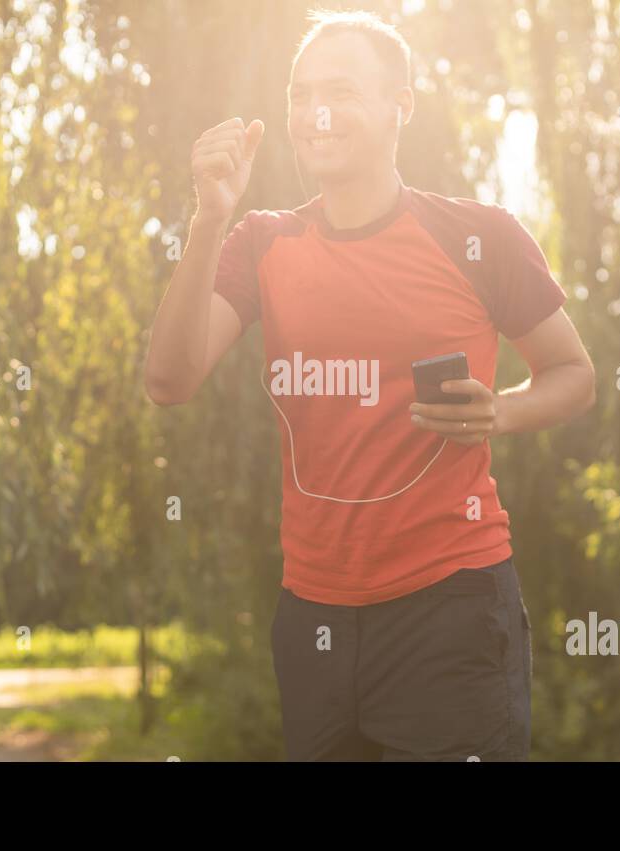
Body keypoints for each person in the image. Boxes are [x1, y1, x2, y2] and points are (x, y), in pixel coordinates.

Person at [144, 10, 596, 761]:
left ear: (402, 105)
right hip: (312, 615)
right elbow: (168, 379)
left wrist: (500, 412)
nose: (318, 112)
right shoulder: (260, 242)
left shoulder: (478, 237)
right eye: (302, 93)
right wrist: (208, 218)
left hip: (451, 606)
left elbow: (575, 374)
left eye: (343, 90)